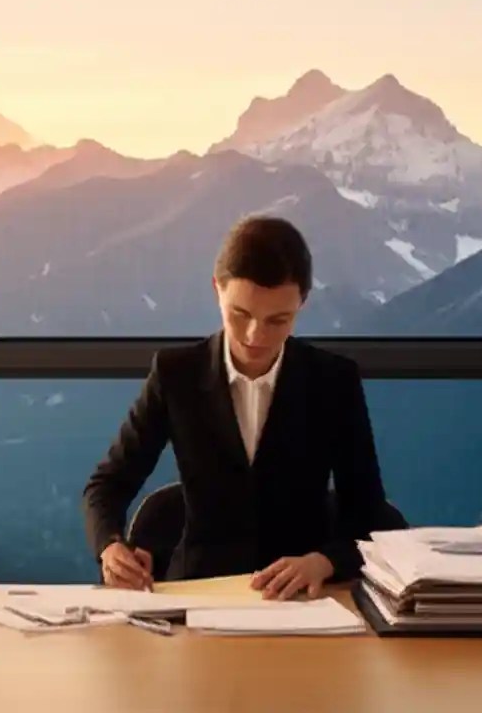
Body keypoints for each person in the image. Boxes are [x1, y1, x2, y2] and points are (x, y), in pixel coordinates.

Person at [81, 215, 393, 600]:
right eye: (240, 314)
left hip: (305, 598)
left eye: (278, 320)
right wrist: (110, 547)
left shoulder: (334, 381)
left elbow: (369, 513)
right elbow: (107, 486)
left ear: (302, 303)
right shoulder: (176, 374)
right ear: (217, 290)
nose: (255, 336)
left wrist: (324, 561)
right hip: (198, 594)